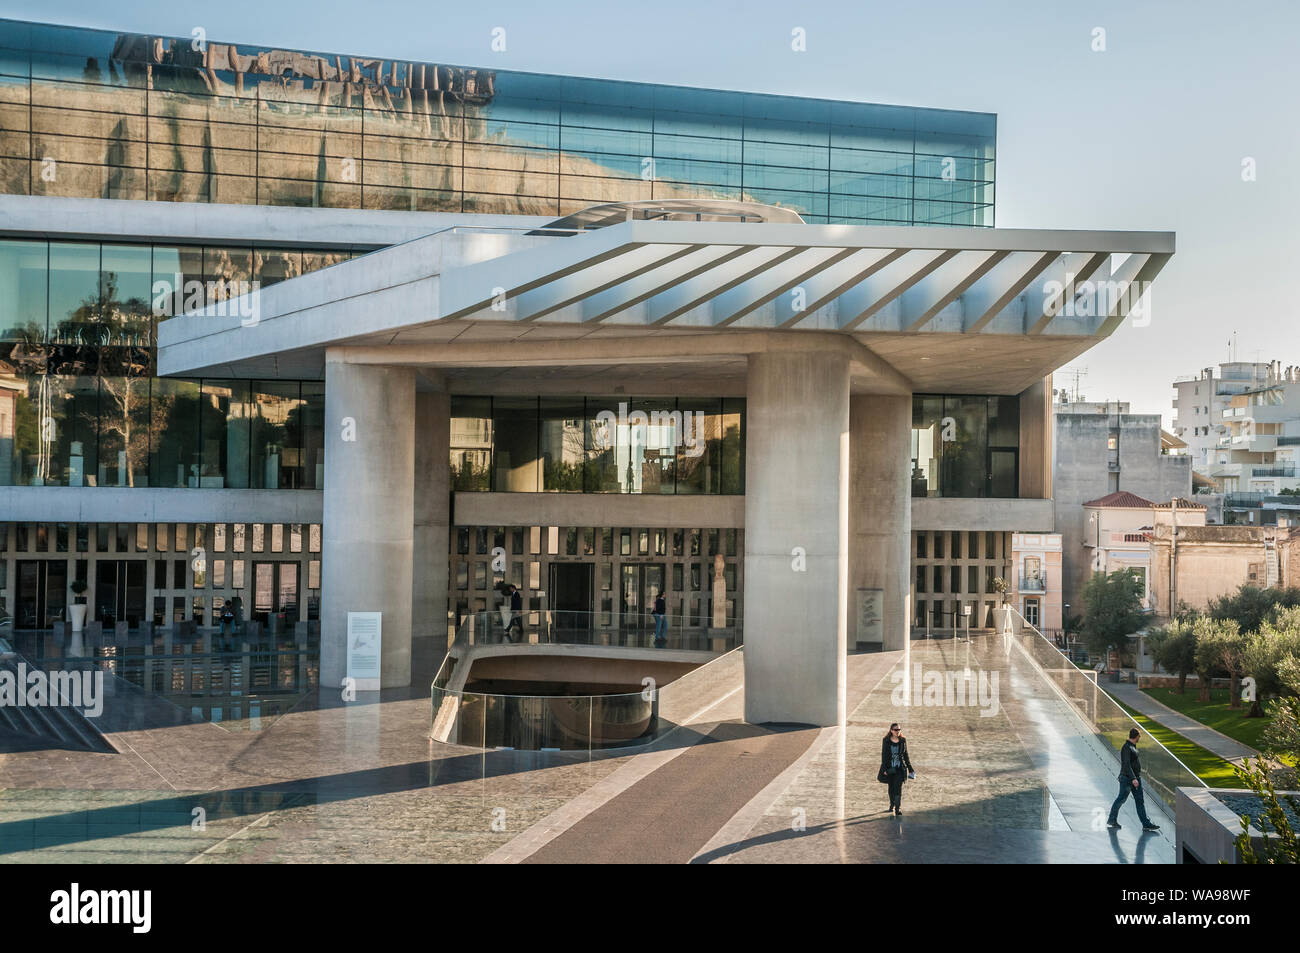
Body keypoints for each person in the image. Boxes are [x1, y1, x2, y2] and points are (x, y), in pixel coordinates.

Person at [1107, 728, 1161, 832]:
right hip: (1128, 779)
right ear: (1136, 736)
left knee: (1139, 801)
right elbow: (1126, 764)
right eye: (1139, 736)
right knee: (1121, 799)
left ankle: (1146, 823)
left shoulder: (1132, 747)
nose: (1140, 738)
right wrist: (1133, 778)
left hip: (1135, 778)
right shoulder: (1126, 747)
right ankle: (1112, 819)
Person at [880, 723, 915, 816]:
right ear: (891, 730)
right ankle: (892, 804)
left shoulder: (903, 740)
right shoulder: (886, 740)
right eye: (895, 730)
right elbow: (884, 755)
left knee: (898, 788)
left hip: (900, 768)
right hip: (890, 768)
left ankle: (898, 808)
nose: (897, 731)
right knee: (891, 788)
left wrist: (910, 769)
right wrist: (884, 769)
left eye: (899, 729)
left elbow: (905, 755)